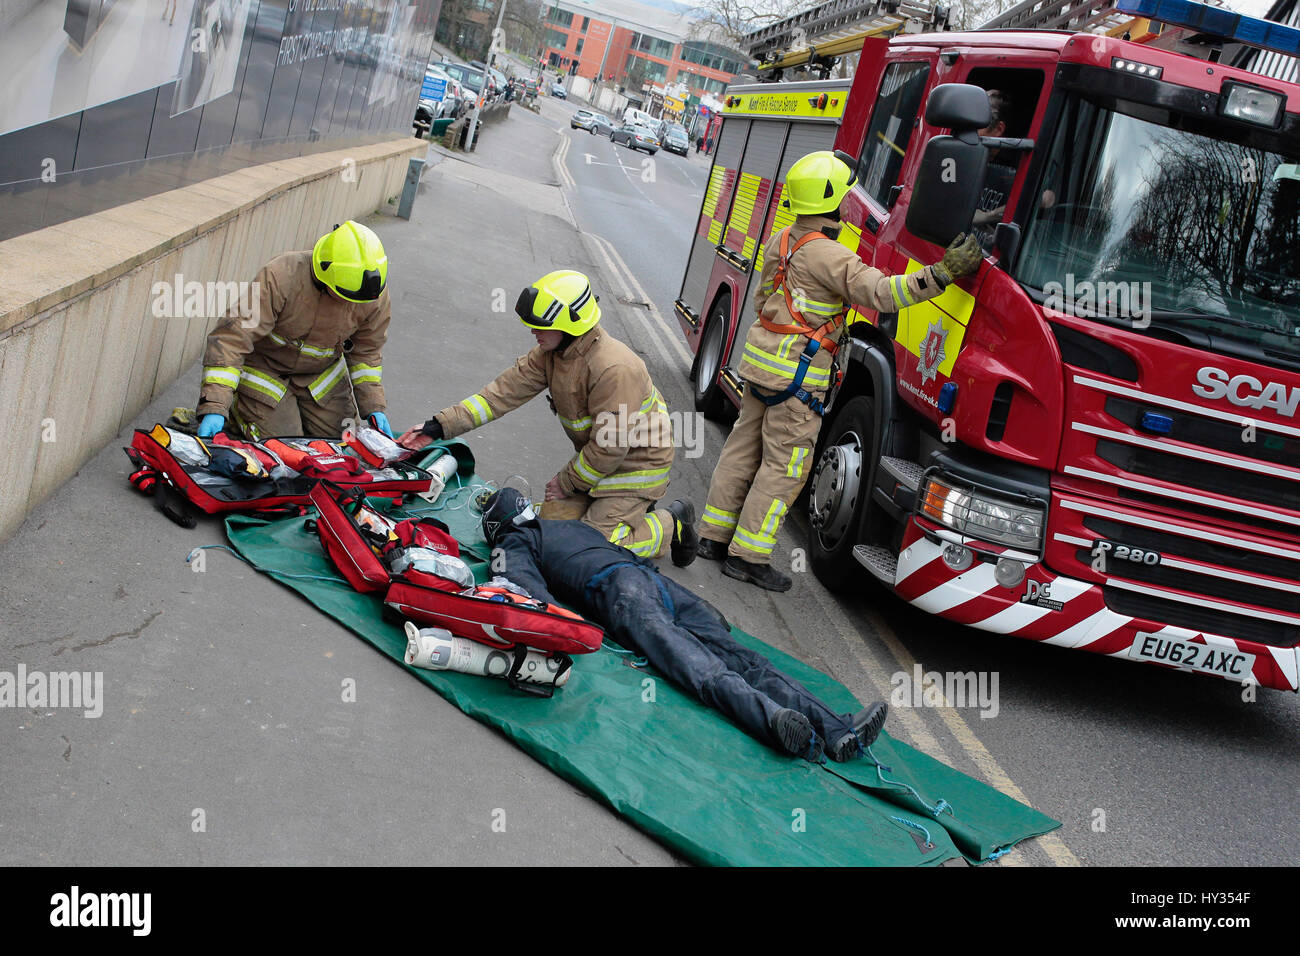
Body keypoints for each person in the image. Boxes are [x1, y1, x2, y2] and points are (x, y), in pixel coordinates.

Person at [696, 151, 983, 591]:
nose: (851, 200)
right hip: (798, 382)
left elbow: (760, 303)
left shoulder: (783, 240)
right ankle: (748, 556)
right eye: (846, 193)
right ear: (832, 200)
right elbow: (884, 294)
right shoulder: (832, 255)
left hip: (761, 368)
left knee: (740, 452)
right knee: (785, 468)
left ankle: (712, 538)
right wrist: (941, 274)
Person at [480, 487, 889, 761]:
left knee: (698, 667)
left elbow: (531, 593)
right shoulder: (565, 526)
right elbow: (619, 555)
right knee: (743, 659)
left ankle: (776, 721)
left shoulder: (516, 540)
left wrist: (568, 627)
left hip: (624, 592)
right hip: (652, 582)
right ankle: (836, 730)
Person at [398, 270, 697, 566]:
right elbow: (497, 397)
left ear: (569, 326)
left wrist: (567, 482)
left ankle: (672, 523)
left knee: (590, 550)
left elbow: (611, 448)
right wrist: (438, 426)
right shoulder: (552, 355)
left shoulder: (614, 369)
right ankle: (618, 515)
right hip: (597, 464)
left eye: (541, 325)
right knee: (547, 529)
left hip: (636, 469)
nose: (533, 331)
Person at [197, 221, 393, 441]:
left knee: (345, 445)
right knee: (285, 449)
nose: (349, 304)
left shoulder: (372, 294)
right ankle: (236, 412)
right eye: (343, 295)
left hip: (321, 380)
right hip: (266, 373)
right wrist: (215, 405)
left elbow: (366, 353)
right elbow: (231, 339)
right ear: (324, 272)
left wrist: (374, 405)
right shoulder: (282, 275)